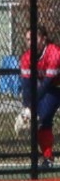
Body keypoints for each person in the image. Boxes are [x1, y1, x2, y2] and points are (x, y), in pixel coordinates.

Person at [20, 24, 60, 168]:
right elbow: (26, 86)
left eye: (34, 38)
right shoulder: (26, 58)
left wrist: (31, 106)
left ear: (44, 39)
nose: (30, 42)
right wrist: (26, 108)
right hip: (52, 90)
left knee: (41, 115)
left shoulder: (54, 53)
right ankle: (48, 158)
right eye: (28, 39)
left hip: (53, 87)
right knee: (42, 119)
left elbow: (46, 84)